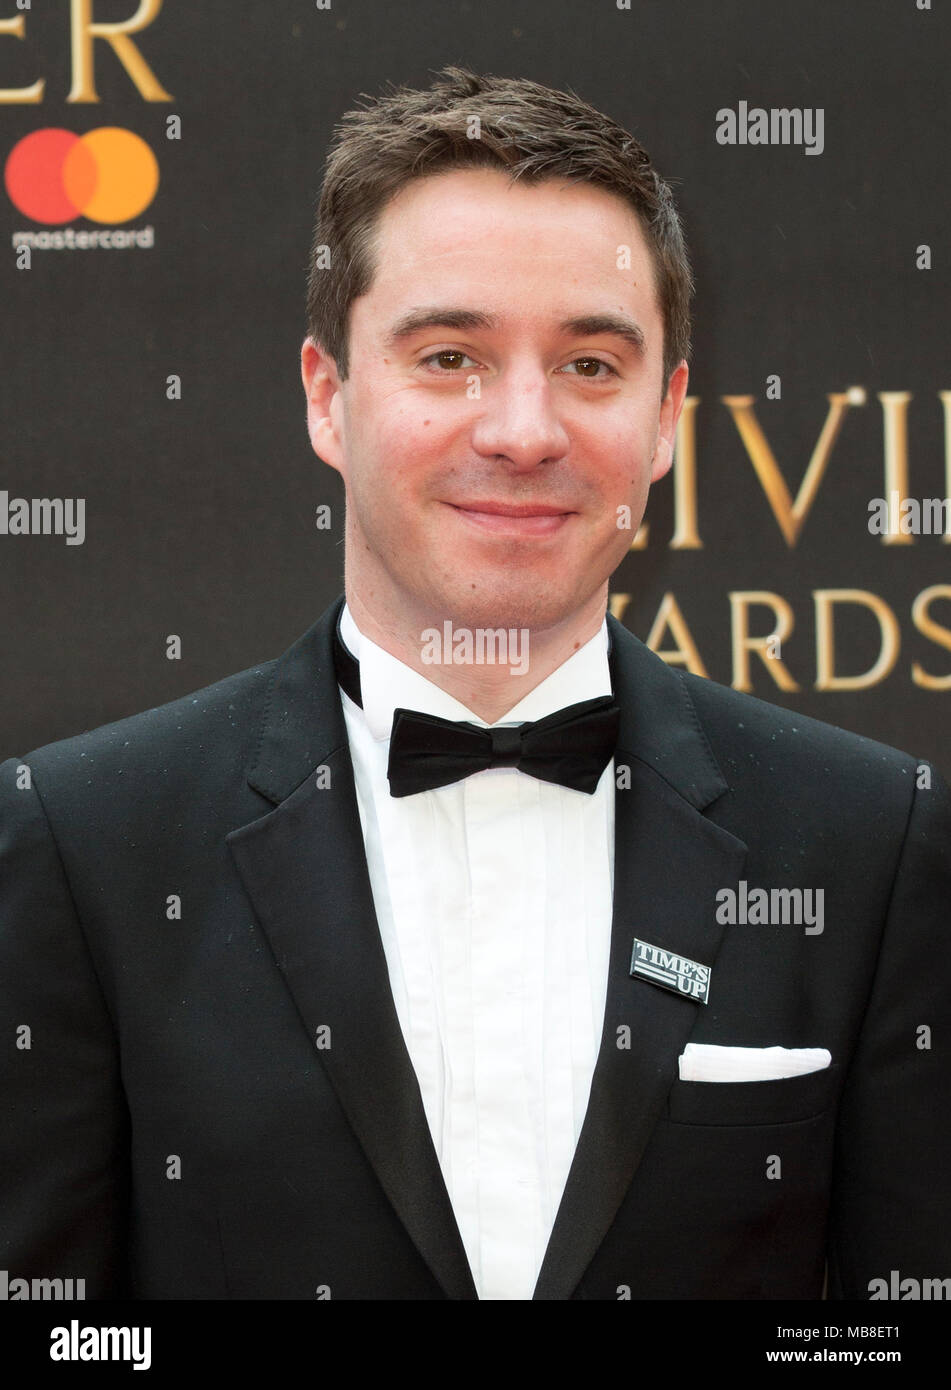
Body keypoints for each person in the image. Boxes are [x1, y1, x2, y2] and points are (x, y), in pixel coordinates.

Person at [1, 65, 948, 1302]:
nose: (524, 430)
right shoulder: (89, 843)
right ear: (328, 396)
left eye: (592, 366)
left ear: (667, 419)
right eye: (450, 356)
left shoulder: (866, 841)